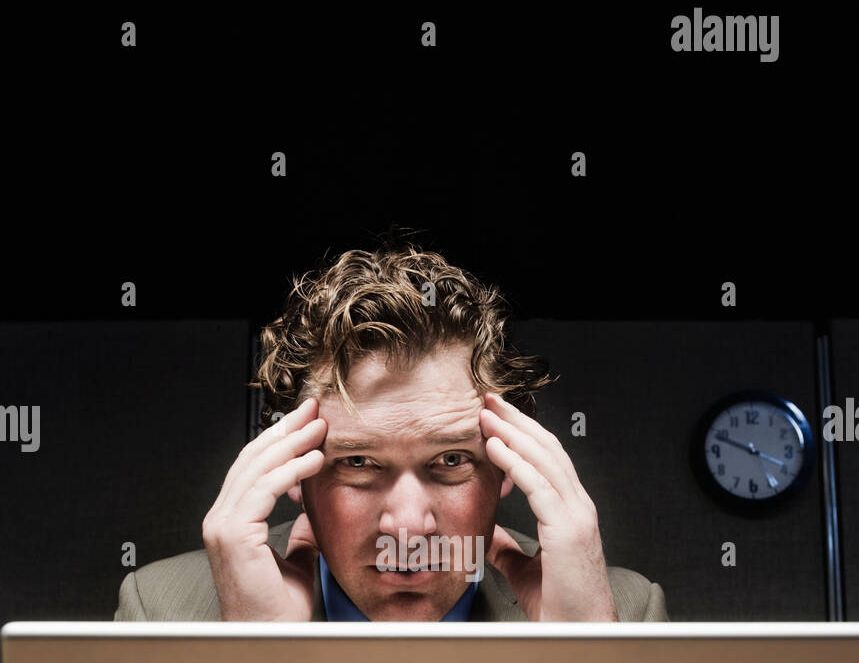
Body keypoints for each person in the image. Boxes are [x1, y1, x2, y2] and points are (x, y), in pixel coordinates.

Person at [114, 245, 669, 623]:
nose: (407, 526)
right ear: (290, 471)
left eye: (451, 460)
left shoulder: (620, 610)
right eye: (358, 463)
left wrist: (588, 657)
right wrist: (264, 658)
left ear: (508, 467)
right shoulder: (162, 609)